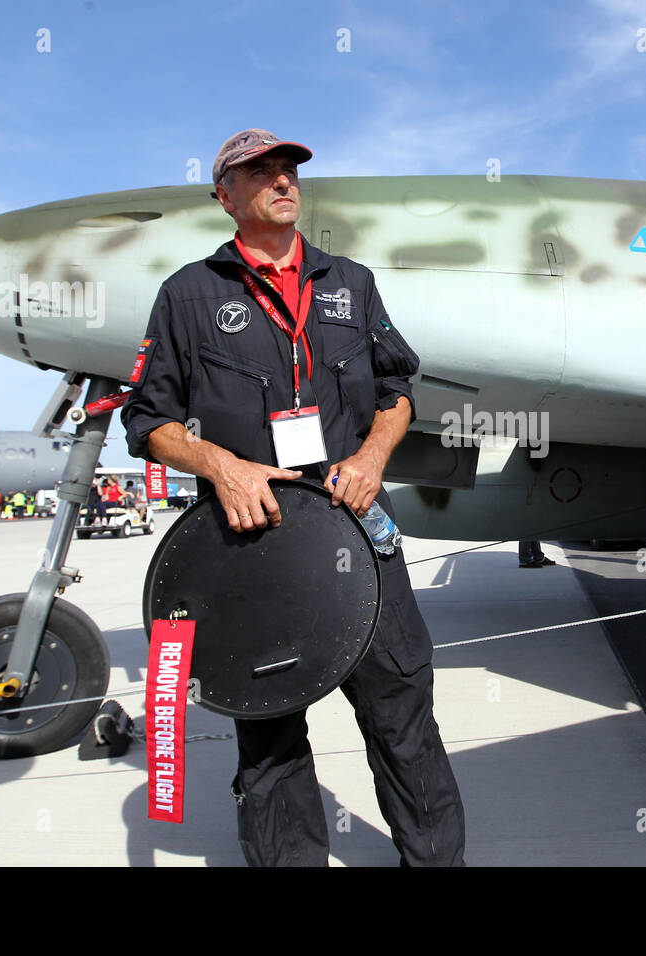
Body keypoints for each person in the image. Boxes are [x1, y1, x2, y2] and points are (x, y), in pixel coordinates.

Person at [121, 128, 466, 867]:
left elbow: (397, 389)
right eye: (260, 173)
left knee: (403, 716)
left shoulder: (351, 282)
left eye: (288, 171)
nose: (282, 182)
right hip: (253, 548)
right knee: (271, 740)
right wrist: (219, 463)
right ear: (224, 196)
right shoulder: (188, 295)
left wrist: (373, 456)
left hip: (357, 534)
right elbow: (148, 422)